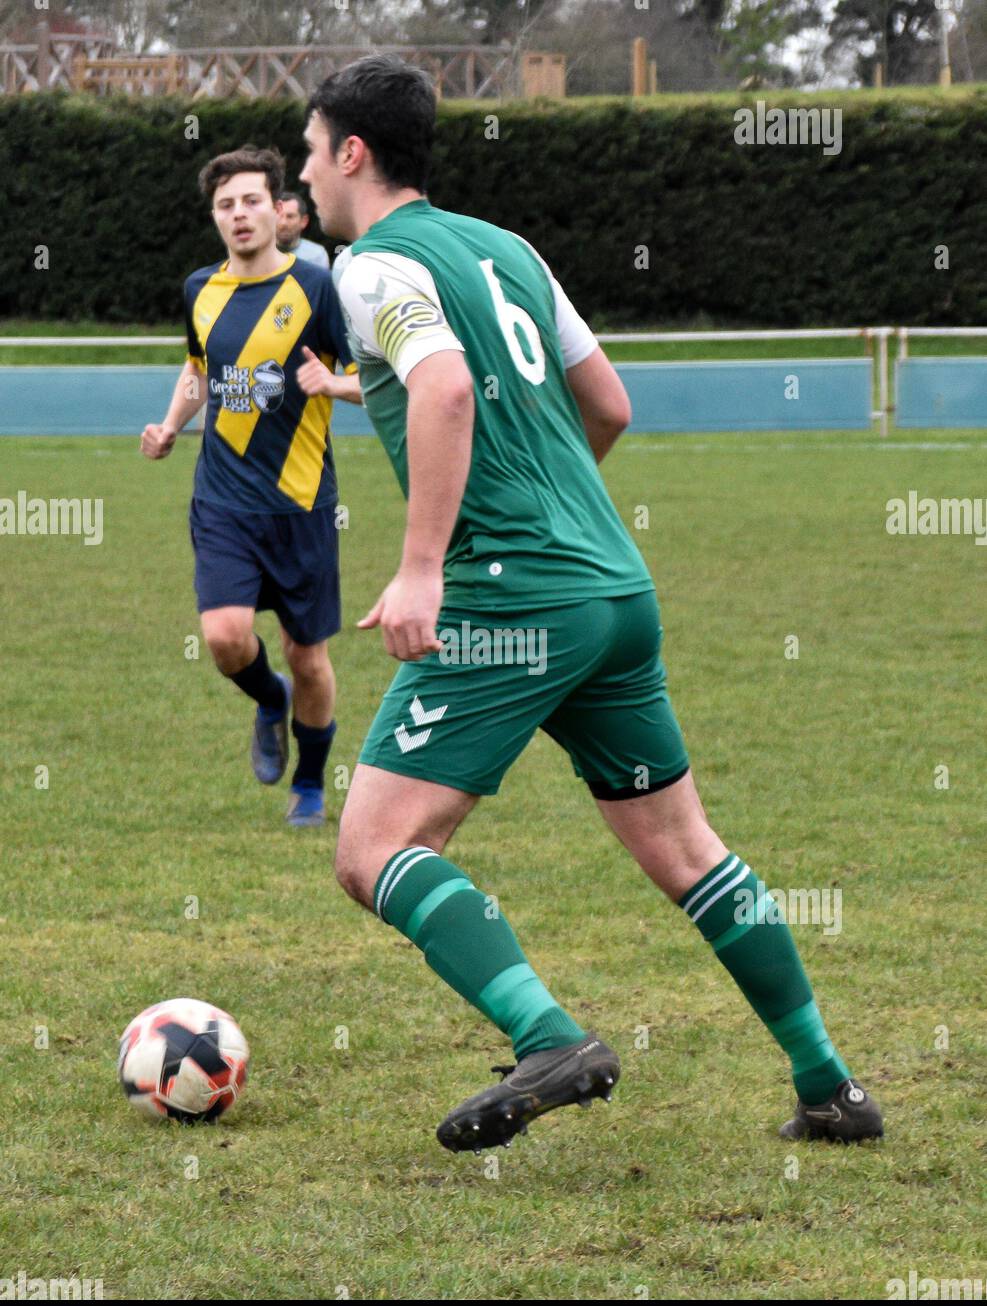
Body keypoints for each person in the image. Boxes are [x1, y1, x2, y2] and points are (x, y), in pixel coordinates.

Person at [298, 57, 884, 1152]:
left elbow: (444, 387)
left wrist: (426, 566)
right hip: (614, 583)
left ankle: (549, 1035)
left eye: (308, 149)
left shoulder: (367, 267)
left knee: (374, 845)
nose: (302, 173)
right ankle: (829, 1086)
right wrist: (563, 523)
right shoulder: (512, 251)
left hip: (510, 596)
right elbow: (609, 403)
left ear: (353, 154)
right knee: (686, 849)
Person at [141, 146, 361, 827]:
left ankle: (312, 783)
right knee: (226, 639)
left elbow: (376, 378)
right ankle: (270, 699)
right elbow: (199, 371)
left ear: (278, 208)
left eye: (251, 201)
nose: (239, 215)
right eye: (225, 205)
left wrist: (333, 384)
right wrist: (172, 423)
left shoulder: (316, 289)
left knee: (310, 656)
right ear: (215, 217)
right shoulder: (198, 290)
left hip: (300, 505)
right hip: (223, 501)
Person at [277, 190, 331, 270]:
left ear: (304, 221)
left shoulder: (316, 255)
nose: (283, 223)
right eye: (278, 216)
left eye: (290, 216)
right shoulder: (257, 253)